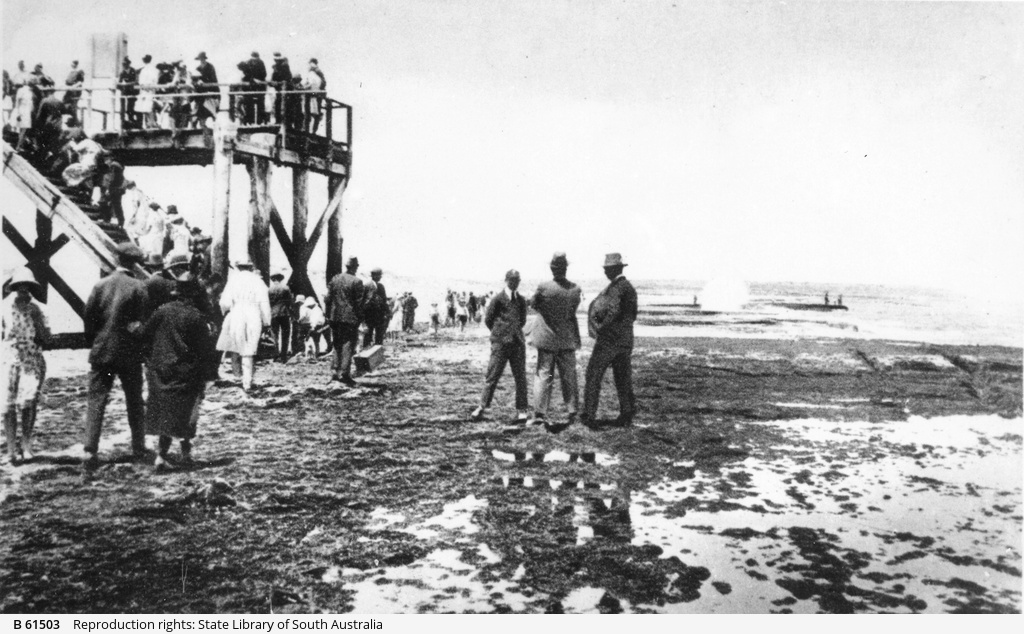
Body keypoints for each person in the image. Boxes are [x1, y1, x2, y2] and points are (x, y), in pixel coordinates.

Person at [82, 243, 149, 468]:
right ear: (135, 263)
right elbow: (141, 324)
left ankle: (90, 451)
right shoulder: (139, 287)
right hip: (129, 354)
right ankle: (138, 447)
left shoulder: (100, 285)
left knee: (96, 400)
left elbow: (89, 319)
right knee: (134, 402)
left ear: (116, 259)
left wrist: (96, 342)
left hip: (102, 352)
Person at [142, 271, 217, 471]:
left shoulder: (161, 311)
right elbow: (205, 351)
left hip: (161, 371)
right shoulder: (196, 317)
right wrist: (209, 375)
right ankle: (185, 454)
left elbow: (144, 336)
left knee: (166, 413)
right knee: (187, 414)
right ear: (194, 293)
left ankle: (160, 456)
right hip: (186, 373)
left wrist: (151, 361)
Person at [582, 253, 637, 427]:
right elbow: (632, 315)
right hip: (625, 340)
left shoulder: (615, 289)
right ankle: (626, 414)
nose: (605, 272)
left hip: (608, 341)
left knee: (593, 375)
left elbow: (612, 312)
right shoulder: (629, 288)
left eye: (607, 269)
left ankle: (589, 416)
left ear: (615, 269)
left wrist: (600, 328)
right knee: (622, 378)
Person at [2, 268, 51, 464]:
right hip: (9, 359)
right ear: (13, 288)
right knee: (7, 405)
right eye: (18, 287)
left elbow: (46, 338)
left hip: (31, 360)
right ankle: (11, 449)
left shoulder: (39, 308)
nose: (23, 291)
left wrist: (37, 319)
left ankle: (27, 445)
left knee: (28, 403)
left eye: (27, 287)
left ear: (31, 288)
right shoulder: (4, 307)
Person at [529, 252, 582, 431]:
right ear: (566, 268)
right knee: (569, 377)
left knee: (545, 375)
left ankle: (540, 414)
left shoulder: (544, 288)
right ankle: (573, 413)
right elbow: (573, 309)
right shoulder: (575, 289)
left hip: (547, 341)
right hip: (567, 340)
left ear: (552, 268)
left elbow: (534, 304)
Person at [470, 270, 529, 423]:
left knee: (520, 378)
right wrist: (500, 334)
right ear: (506, 280)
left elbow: (522, 320)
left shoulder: (521, 300)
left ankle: (522, 410)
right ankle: (482, 407)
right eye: (512, 280)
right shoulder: (497, 299)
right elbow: (488, 320)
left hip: (517, 344)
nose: (514, 282)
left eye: (517, 280)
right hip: (500, 345)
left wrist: (513, 333)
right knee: (492, 376)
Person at [216, 259, 270, 393]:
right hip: (253, 314)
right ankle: (247, 381)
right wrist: (267, 322)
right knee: (249, 349)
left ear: (238, 267)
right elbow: (264, 303)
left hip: (237, 313)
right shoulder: (258, 281)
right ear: (251, 267)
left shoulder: (233, 280)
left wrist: (226, 312)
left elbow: (225, 302)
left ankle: (237, 376)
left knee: (235, 345)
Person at [325, 256, 364, 384]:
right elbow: (359, 304)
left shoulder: (335, 279)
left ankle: (335, 371)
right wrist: (361, 319)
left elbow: (328, 299)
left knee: (336, 343)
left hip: (335, 317)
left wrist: (328, 315)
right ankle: (344, 373)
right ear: (355, 267)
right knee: (348, 344)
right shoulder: (357, 281)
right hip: (349, 318)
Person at [267, 270, 293, 362]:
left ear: (273, 279)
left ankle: (275, 355)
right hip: (284, 313)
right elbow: (290, 301)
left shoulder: (269, 289)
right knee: (285, 335)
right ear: (280, 279)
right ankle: (283, 357)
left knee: (274, 335)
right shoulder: (285, 288)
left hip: (274, 314)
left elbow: (268, 302)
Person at [362, 267, 389, 348]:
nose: (380, 277)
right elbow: (363, 300)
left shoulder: (381, 286)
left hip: (379, 315)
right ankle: (366, 352)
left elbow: (384, 300)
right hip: (369, 315)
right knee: (368, 334)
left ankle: (377, 352)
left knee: (379, 335)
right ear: (374, 276)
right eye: (379, 275)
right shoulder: (367, 285)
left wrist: (387, 311)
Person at [193, 52, 219, 124]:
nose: (201, 60)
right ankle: (201, 124)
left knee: (211, 108)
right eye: (200, 59)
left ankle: (213, 123)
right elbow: (195, 79)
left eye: (202, 58)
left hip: (210, 90)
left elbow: (213, 79)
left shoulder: (210, 67)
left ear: (204, 58)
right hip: (201, 91)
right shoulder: (198, 68)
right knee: (200, 108)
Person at [135, 55, 160, 129]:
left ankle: (151, 123)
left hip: (146, 90)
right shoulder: (154, 70)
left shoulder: (144, 70)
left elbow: (141, 82)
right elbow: (155, 81)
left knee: (147, 107)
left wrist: (146, 87)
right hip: (150, 90)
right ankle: (150, 123)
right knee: (148, 107)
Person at [298, 296, 326, 361]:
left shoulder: (317, 310)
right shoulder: (315, 309)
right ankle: (316, 354)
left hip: (317, 326)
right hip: (316, 326)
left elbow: (316, 320)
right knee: (315, 341)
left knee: (313, 340)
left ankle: (315, 355)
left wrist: (313, 327)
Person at [13, 76, 36, 153]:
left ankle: (19, 146)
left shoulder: (30, 91)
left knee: (24, 130)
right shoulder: (22, 90)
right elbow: (18, 101)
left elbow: (30, 103)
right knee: (23, 130)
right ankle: (18, 147)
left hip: (27, 112)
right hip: (22, 111)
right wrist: (18, 113)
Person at [270, 53, 292, 124]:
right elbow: (273, 78)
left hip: (284, 89)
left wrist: (280, 82)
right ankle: (278, 121)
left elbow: (288, 78)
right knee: (278, 104)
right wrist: (273, 82)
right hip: (279, 89)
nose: (276, 61)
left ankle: (285, 122)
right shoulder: (276, 67)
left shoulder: (285, 66)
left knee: (284, 105)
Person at [305, 58, 325, 133]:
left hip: (314, 95)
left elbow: (314, 83)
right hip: (316, 94)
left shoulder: (315, 72)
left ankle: (311, 130)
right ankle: (312, 130)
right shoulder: (318, 72)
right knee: (315, 113)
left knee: (313, 113)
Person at [118, 57, 139, 128]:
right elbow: (119, 83)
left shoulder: (133, 71)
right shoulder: (122, 73)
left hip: (132, 91)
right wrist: (121, 86)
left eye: (126, 64)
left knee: (131, 106)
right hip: (125, 91)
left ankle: (131, 119)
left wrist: (127, 84)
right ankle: (122, 120)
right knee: (122, 106)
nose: (124, 66)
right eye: (123, 64)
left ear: (129, 64)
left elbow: (136, 81)